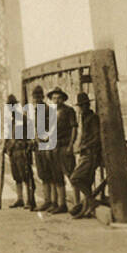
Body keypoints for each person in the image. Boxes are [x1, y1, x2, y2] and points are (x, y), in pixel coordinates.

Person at [70, 91, 102, 219]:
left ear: (88, 105)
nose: (82, 108)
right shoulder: (83, 118)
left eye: (84, 105)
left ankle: (90, 201)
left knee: (75, 178)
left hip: (91, 154)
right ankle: (86, 209)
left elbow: (97, 137)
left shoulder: (93, 118)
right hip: (85, 153)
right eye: (80, 106)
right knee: (86, 181)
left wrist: (84, 146)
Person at [47, 87, 77, 214]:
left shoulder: (69, 111)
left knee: (71, 174)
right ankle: (61, 204)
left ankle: (77, 203)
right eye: (54, 98)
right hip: (54, 146)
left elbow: (74, 128)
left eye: (58, 98)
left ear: (63, 98)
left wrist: (71, 145)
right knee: (57, 176)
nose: (56, 100)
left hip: (65, 146)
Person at [3, 94, 35, 209]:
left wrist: (26, 144)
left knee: (26, 176)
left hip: (22, 152)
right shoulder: (11, 121)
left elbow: (30, 135)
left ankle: (29, 199)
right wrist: (6, 146)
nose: (10, 108)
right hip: (13, 152)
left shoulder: (24, 119)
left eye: (12, 106)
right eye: (8, 106)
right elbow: (8, 136)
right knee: (16, 176)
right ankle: (20, 198)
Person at [29, 83, 55, 211]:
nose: (36, 99)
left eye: (38, 97)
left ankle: (50, 201)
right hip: (39, 145)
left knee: (48, 174)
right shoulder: (36, 110)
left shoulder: (45, 110)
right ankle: (48, 200)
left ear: (42, 97)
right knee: (43, 174)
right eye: (35, 97)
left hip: (45, 145)